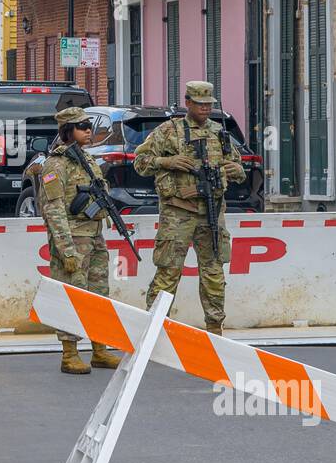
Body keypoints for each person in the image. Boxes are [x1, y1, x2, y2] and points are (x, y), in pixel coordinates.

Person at [132, 81, 246, 333]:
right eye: (200, 104)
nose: (206, 108)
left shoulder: (220, 132)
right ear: (188, 103)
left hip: (212, 212)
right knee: (168, 272)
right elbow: (140, 163)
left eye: (209, 104)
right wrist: (167, 161)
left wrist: (236, 170)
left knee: (214, 272)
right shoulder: (168, 131)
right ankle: (154, 327)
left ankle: (214, 328)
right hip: (178, 212)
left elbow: (239, 168)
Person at [39, 107, 124, 374]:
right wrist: (66, 250)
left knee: (99, 295)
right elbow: (53, 210)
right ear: (67, 131)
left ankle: (100, 349)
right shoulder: (55, 165)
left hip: (94, 235)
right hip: (73, 239)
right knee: (72, 296)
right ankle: (70, 353)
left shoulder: (87, 159)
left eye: (89, 126)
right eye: (82, 126)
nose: (88, 130)